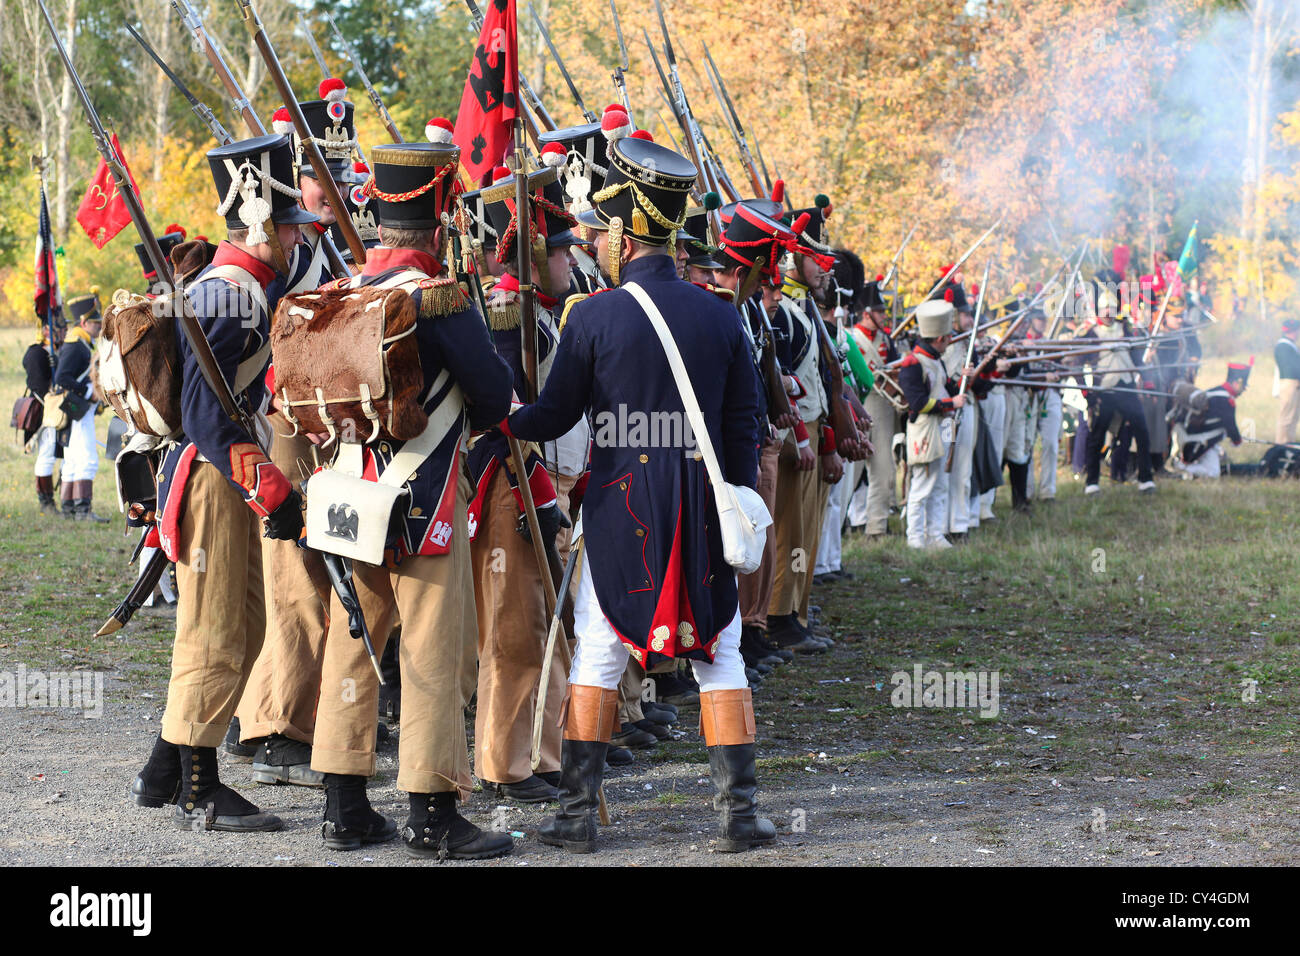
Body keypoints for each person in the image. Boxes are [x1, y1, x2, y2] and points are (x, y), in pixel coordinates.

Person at [505, 134, 772, 854]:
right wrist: (736, 497)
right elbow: (745, 421)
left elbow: (555, 415)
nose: (593, 240)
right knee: (721, 651)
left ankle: (575, 819)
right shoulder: (721, 313)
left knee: (598, 649)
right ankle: (738, 817)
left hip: (622, 505)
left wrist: (502, 414)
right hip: (705, 499)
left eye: (600, 230)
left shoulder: (591, 316)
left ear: (623, 233)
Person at [303, 133, 516, 859]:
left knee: (352, 649)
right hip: (423, 497)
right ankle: (431, 812)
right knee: (429, 649)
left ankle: (344, 805)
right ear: (445, 210)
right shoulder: (439, 298)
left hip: (346, 499)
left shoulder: (344, 293)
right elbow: (493, 398)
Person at [128, 132, 320, 832]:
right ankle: (199, 788)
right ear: (264, 226)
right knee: (217, 633)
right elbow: (209, 418)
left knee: (243, 622)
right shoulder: (229, 295)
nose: (301, 239)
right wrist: (269, 486)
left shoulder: (240, 288)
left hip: (223, 476)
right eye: (294, 226)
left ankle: (161, 769)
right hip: (215, 478)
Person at [234, 81, 365, 789]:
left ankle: (280, 715)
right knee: (295, 584)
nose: (333, 188)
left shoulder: (329, 247)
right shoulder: (290, 251)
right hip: (286, 425)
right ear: (296, 181)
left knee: (320, 579)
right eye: (321, 177)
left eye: (341, 175)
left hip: (328, 424)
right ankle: (276, 727)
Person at [899, 299, 968, 549]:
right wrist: (951, 403)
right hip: (925, 431)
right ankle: (916, 538)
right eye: (947, 337)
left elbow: (947, 387)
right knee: (921, 487)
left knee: (939, 485)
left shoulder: (936, 360)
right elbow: (917, 403)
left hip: (940, 429)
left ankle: (935, 535)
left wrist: (963, 379)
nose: (950, 340)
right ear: (939, 339)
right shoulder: (912, 363)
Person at [53, 293, 107, 522]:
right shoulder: (76, 345)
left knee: (74, 457)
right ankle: (83, 511)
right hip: (76, 406)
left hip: (76, 407)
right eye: (96, 323)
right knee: (86, 456)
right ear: (84, 323)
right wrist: (87, 391)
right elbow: (62, 377)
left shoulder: (80, 342)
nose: (99, 327)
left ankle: (69, 508)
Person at [1171, 362, 1249, 479]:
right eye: (1243, 386)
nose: (1243, 390)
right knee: (1213, 473)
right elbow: (1230, 426)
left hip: (1195, 436)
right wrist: (1237, 441)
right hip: (1196, 440)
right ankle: (1182, 468)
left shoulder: (1217, 391)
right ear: (1236, 383)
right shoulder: (1226, 400)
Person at [23, 319, 65, 513]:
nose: (64, 331)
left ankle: (67, 499)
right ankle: (46, 502)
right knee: (47, 454)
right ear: (46, 330)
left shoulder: (61, 350)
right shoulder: (36, 353)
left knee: (67, 455)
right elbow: (37, 385)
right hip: (45, 411)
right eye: (59, 328)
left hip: (62, 410)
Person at [1274, 319, 1300, 444]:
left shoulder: (1289, 345)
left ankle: (1289, 441)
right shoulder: (1283, 346)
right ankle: (1282, 443)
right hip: (1290, 383)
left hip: (1294, 384)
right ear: (1292, 331)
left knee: (1293, 416)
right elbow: (1291, 367)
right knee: (1287, 416)